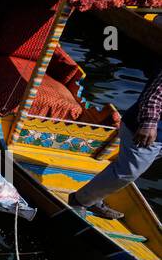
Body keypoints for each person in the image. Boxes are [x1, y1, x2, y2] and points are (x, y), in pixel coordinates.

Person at [69, 65, 161, 220]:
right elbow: (156, 94)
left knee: (129, 168)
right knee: (128, 171)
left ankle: (94, 197)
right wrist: (149, 122)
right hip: (147, 131)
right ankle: (80, 200)